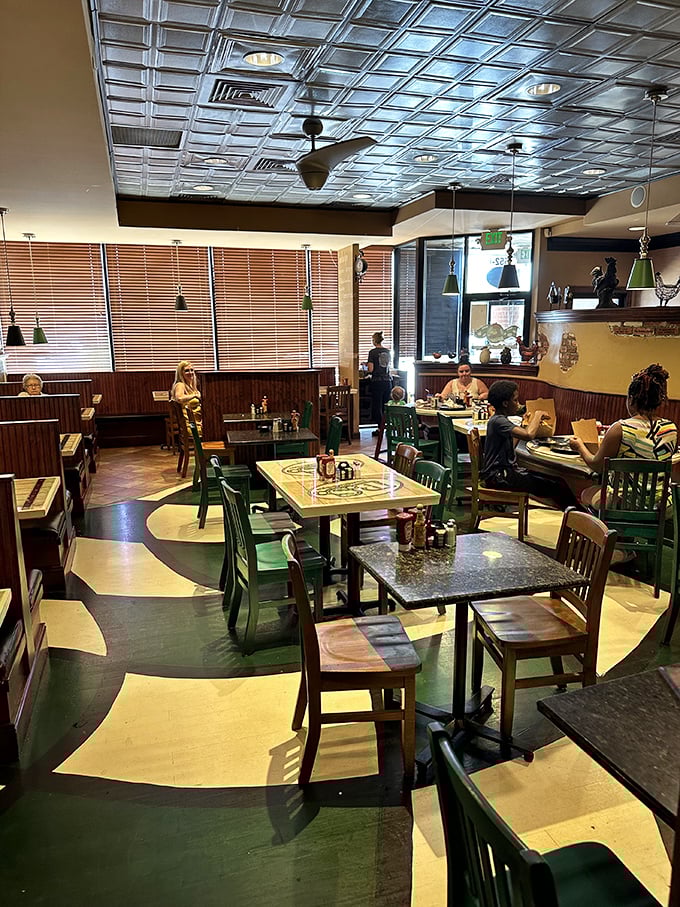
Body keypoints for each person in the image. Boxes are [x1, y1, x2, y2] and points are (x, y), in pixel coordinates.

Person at [569, 363, 677, 509]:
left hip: (623, 502)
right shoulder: (671, 429)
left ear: (631, 399)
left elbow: (598, 466)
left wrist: (579, 446)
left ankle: (600, 530)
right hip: (661, 505)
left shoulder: (620, 428)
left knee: (586, 494)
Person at [482, 380, 576, 510]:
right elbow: (528, 435)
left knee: (558, 482)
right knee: (556, 485)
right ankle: (577, 517)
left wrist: (524, 422)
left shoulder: (498, 420)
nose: (518, 404)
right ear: (505, 403)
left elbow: (513, 444)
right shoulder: (498, 421)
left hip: (501, 474)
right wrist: (537, 415)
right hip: (500, 477)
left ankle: (574, 515)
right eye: (515, 400)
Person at [367, 331, 392, 434]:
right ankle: (388, 426)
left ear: (374, 340)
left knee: (377, 405)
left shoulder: (372, 352)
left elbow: (371, 369)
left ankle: (380, 428)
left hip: (377, 381)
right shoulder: (388, 351)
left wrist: (366, 366)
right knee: (386, 405)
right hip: (387, 381)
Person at [171, 360, 202, 435]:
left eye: (192, 370)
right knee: (214, 430)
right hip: (192, 425)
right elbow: (179, 398)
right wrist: (194, 396)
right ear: (181, 373)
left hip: (197, 421)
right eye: (187, 371)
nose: (190, 373)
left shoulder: (192, 386)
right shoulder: (180, 385)